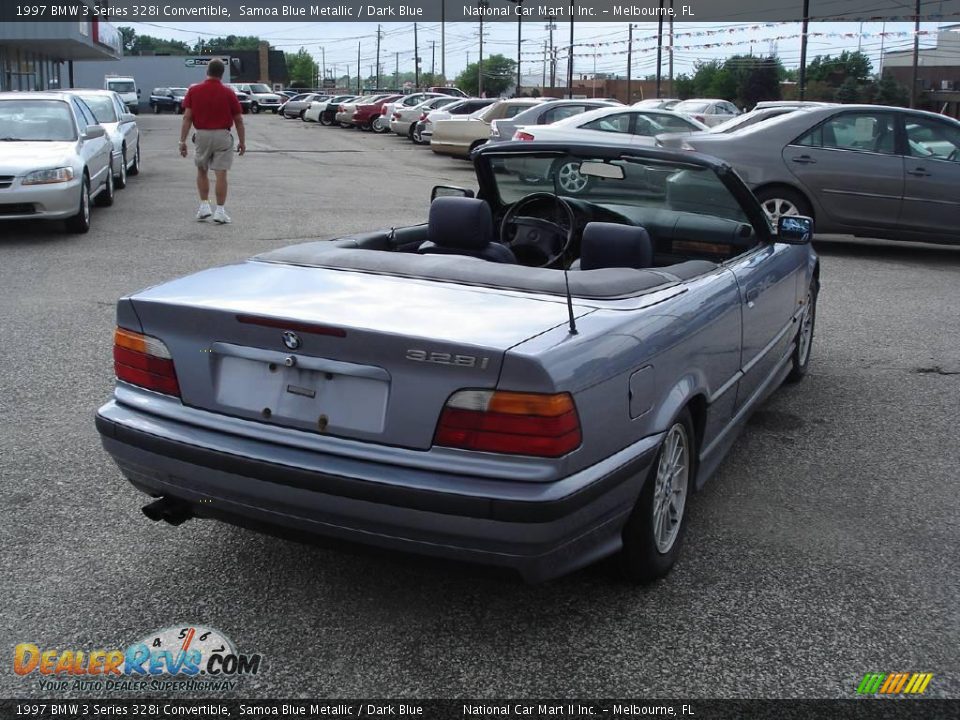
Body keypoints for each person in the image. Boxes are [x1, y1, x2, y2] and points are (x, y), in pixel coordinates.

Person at [178, 59, 245, 224]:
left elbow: (187, 117)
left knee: (202, 170)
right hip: (223, 135)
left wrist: (182, 141)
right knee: (221, 173)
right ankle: (220, 211)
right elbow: (238, 119)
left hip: (202, 135)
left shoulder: (194, 91)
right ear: (222, 74)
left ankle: (204, 206)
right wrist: (242, 141)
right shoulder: (228, 92)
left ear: (206, 71)